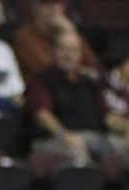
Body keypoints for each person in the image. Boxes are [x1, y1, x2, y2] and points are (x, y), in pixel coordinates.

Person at [28, 28, 112, 162]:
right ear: (53, 51)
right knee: (78, 153)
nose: (68, 55)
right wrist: (64, 135)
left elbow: (107, 115)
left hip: (94, 137)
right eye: (63, 49)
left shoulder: (89, 82)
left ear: (80, 54)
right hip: (54, 140)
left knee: (127, 148)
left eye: (74, 50)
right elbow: (42, 115)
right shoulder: (42, 82)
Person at [12, 0, 98, 81]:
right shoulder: (24, 37)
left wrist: (70, 30)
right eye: (48, 5)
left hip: (73, 88)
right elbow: (49, 71)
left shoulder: (65, 31)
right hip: (43, 88)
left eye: (58, 4)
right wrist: (82, 72)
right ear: (36, 7)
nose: (54, 10)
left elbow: (92, 65)